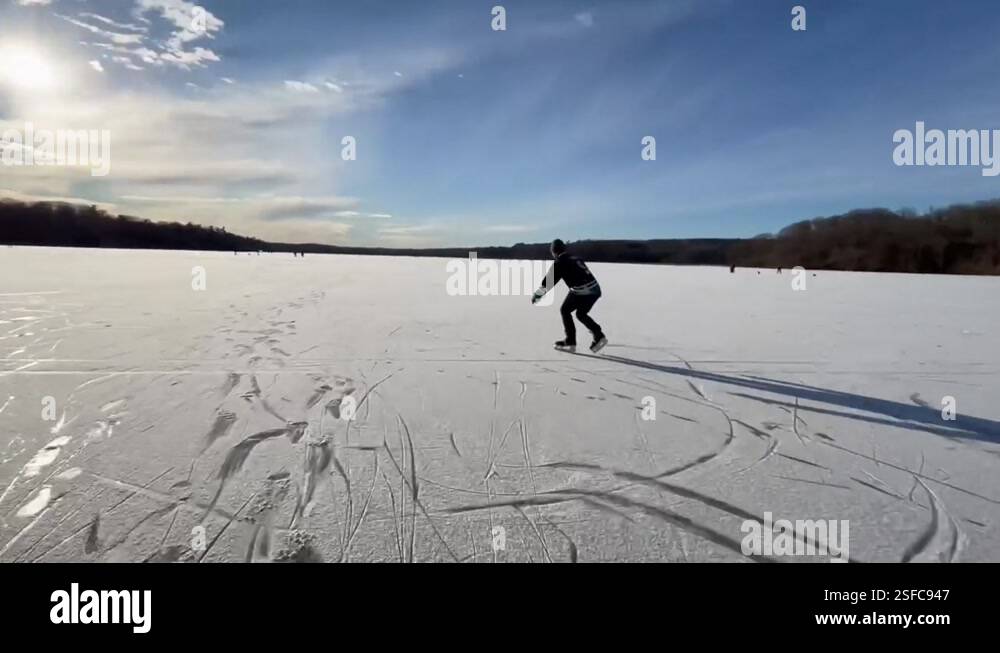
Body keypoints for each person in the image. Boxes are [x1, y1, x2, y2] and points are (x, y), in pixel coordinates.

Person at [532, 239, 607, 353]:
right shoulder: (575, 257)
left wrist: (538, 295)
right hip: (595, 290)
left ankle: (570, 341)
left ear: (553, 251)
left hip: (582, 291)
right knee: (581, 314)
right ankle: (598, 335)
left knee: (565, 310)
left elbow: (550, 281)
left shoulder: (560, 261)